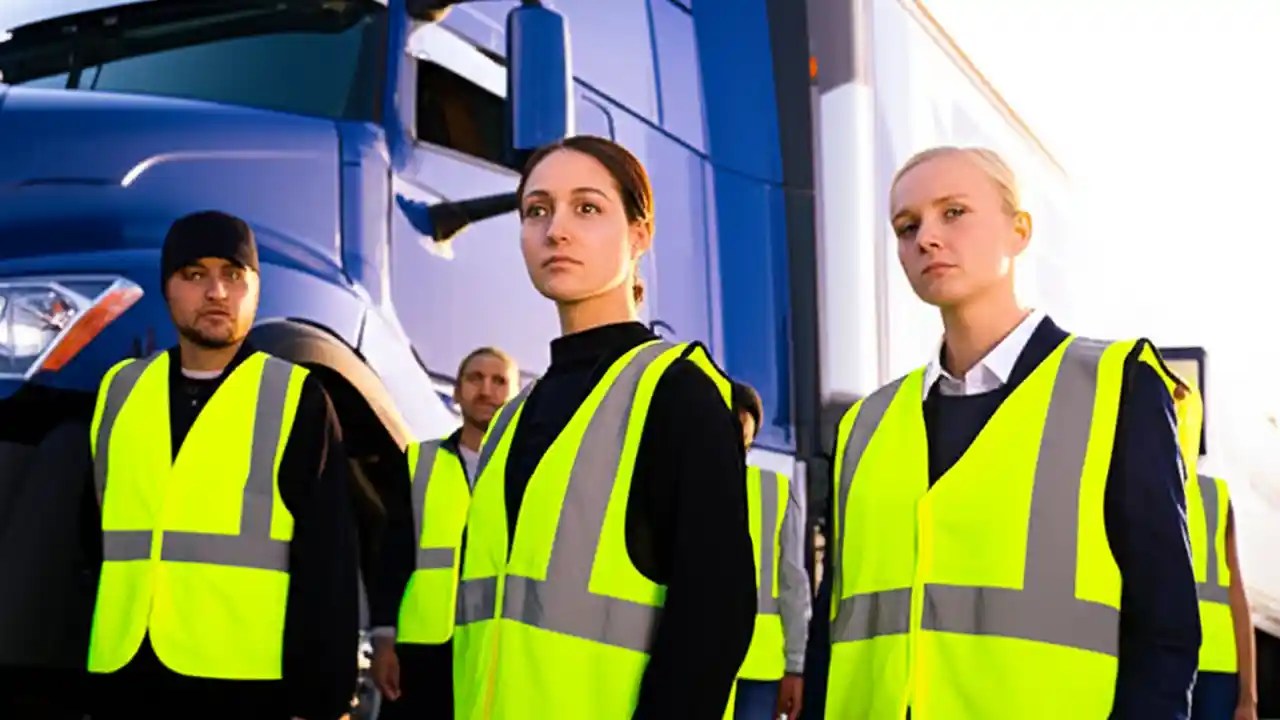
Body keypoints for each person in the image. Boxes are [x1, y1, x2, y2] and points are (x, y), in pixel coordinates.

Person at [822, 146, 1200, 719]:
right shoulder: (865, 425)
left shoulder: (1117, 388)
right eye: (907, 226)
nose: (925, 237)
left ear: (1019, 230)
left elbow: (1164, 627)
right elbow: (835, 625)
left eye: (953, 213)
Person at [451, 135, 757, 719]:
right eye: (537, 211)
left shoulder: (676, 391)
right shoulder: (514, 417)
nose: (555, 230)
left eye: (586, 208)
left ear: (640, 235)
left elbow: (713, 620)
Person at [86, 210, 360, 719]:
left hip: (242, 684)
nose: (216, 292)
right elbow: (91, 539)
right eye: (194, 275)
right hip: (123, 675)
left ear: (256, 290)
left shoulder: (296, 396)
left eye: (233, 275)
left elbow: (329, 560)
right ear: (167, 288)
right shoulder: (120, 391)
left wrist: (325, 698)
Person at [369, 346, 520, 719]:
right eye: (475, 378)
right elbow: (391, 555)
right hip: (422, 653)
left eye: (499, 381)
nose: (486, 389)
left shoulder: (527, 474)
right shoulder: (419, 463)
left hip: (496, 650)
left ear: (514, 397)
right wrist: (383, 638)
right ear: (456, 391)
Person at [1173, 382, 1258, 720]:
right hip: (1167, 664)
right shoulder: (1132, 490)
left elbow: (1238, 598)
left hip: (1214, 671)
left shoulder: (1215, 497)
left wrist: (1248, 698)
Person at [731, 381, 810, 720]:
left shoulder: (774, 489)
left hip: (746, 669)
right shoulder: (774, 490)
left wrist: (795, 667)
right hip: (752, 669)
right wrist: (795, 667)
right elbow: (795, 584)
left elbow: (793, 585)